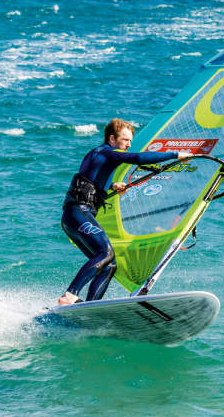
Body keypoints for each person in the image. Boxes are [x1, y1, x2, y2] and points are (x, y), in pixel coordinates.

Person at [57, 118, 190, 305]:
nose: (129, 144)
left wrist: (111, 185)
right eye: (125, 140)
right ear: (112, 139)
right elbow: (138, 158)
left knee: (109, 265)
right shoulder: (108, 152)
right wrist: (176, 154)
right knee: (106, 252)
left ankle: (88, 308)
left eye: (130, 141)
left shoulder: (98, 154)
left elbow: (91, 178)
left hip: (73, 217)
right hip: (78, 213)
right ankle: (70, 294)